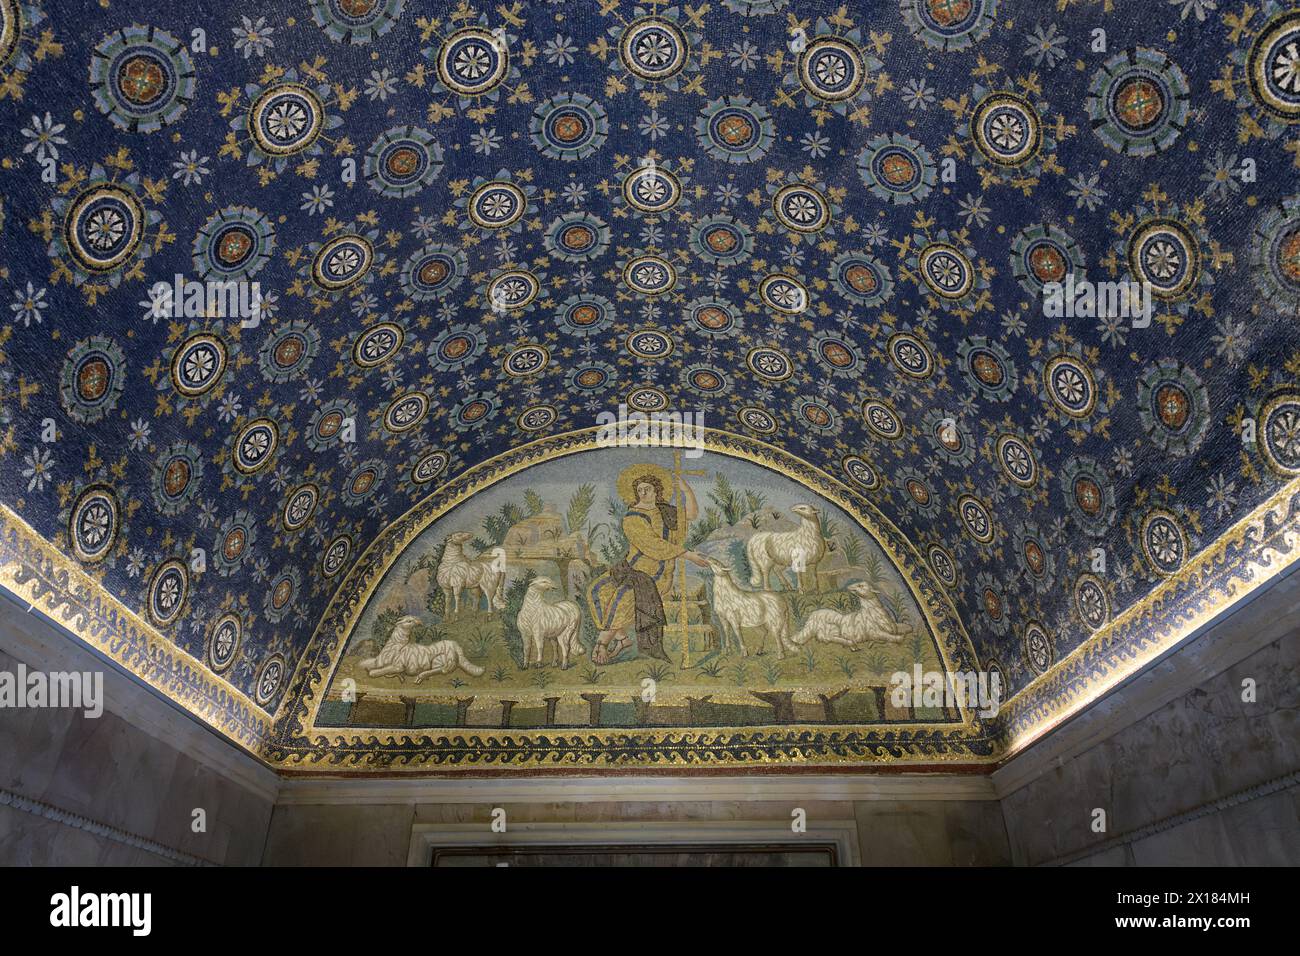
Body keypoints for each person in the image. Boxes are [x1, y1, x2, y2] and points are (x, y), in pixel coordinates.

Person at [586, 463, 708, 664]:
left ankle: (602, 644)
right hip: (633, 568)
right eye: (639, 490)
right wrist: (688, 555)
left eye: (647, 489)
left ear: (657, 491)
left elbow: (691, 515)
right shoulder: (632, 517)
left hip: (656, 575)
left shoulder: (666, 512)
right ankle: (623, 639)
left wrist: (686, 488)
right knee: (597, 590)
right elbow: (651, 545)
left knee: (623, 597)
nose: (643, 493)